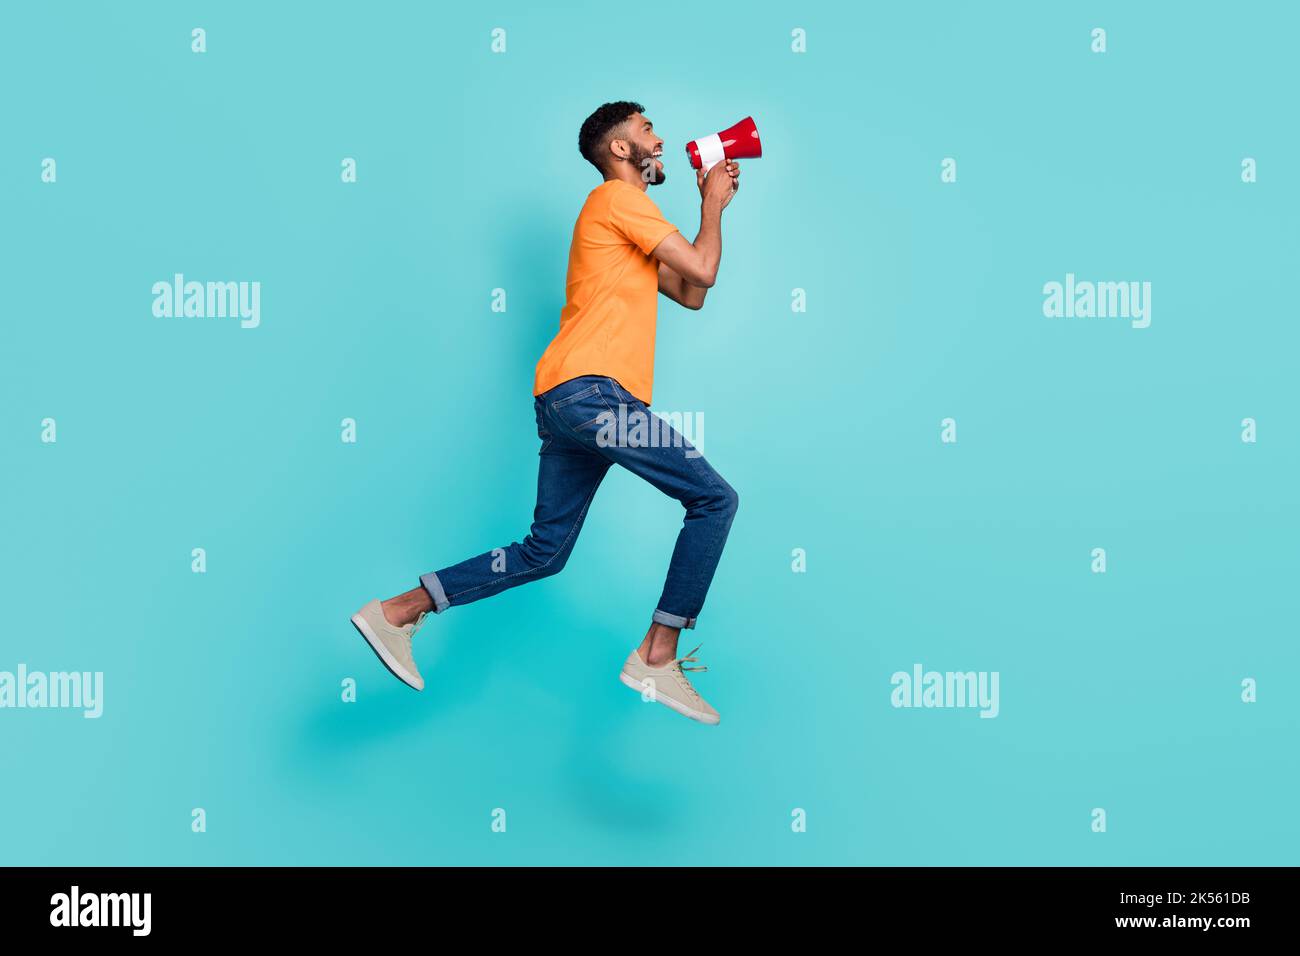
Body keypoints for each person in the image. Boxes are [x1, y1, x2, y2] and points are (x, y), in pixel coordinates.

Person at [351, 101, 741, 724]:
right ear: (619, 150)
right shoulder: (620, 200)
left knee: (544, 551)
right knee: (715, 500)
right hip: (596, 396)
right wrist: (714, 207)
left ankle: (395, 611)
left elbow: (689, 292)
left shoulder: (623, 222)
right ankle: (657, 654)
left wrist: (710, 209)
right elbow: (705, 269)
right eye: (647, 130)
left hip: (566, 401)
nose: (660, 138)